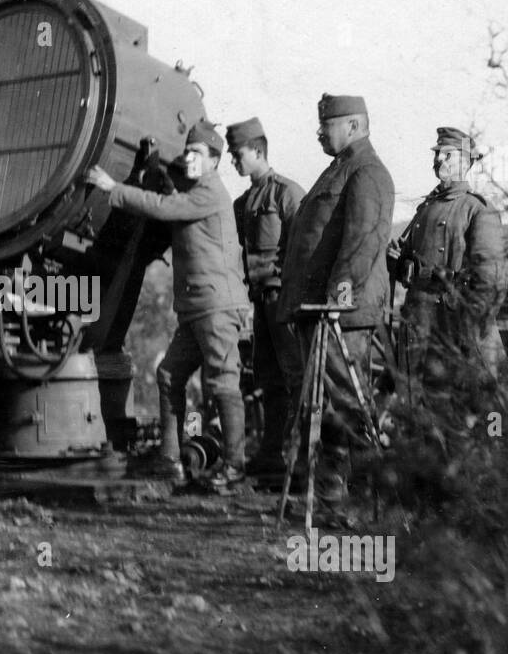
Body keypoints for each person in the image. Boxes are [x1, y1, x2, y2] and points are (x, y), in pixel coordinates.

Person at [86, 121, 252, 489]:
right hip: (197, 307)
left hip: (215, 305)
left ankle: (235, 466)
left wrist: (115, 188)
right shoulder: (197, 188)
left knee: (223, 382)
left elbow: (163, 206)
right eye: (187, 152)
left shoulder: (208, 193)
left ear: (214, 160)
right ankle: (170, 459)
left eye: (197, 153)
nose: (190, 158)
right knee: (169, 376)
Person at [276, 94, 395, 505]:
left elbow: (364, 241)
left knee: (348, 401)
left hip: (342, 314)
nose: (320, 132)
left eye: (327, 124)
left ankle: (365, 498)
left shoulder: (366, 173)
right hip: (320, 309)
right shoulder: (341, 170)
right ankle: (331, 493)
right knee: (327, 404)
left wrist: (340, 291)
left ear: (354, 126)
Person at [389, 126, 507, 389]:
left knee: (475, 408)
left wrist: (473, 328)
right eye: (437, 154)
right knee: (418, 403)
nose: (439, 160)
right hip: (419, 320)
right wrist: (396, 260)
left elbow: (492, 281)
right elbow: (410, 266)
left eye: (448, 155)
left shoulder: (477, 210)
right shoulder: (425, 209)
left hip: (455, 321)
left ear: (466, 161)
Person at [226, 117, 306, 486]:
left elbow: (305, 249)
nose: (233, 160)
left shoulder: (286, 194)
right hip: (260, 301)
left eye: (237, 153)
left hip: (284, 300)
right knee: (269, 378)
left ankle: (303, 458)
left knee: (296, 377)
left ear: (257, 151)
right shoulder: (242, 203)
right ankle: (272, 454)